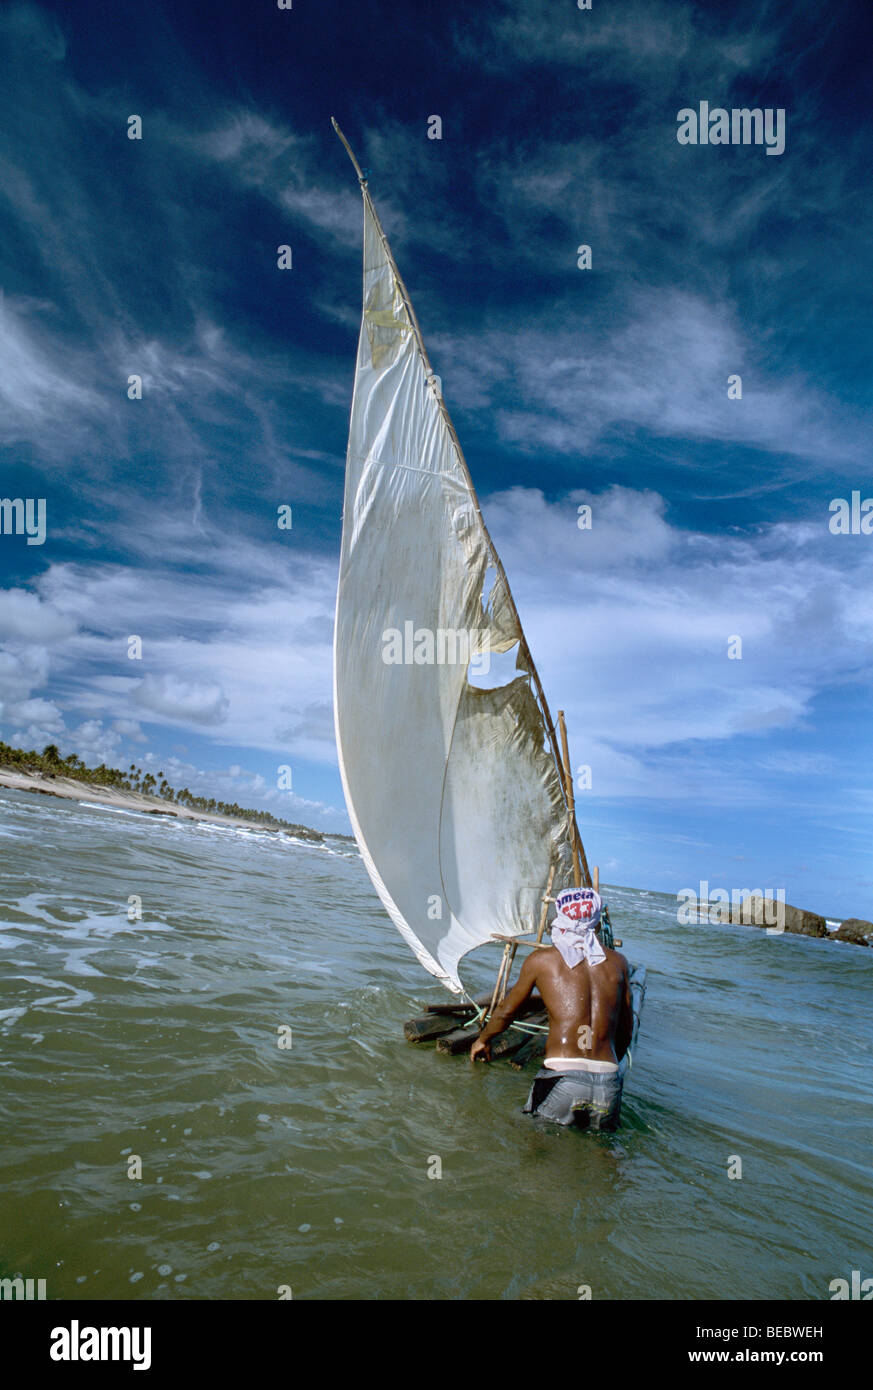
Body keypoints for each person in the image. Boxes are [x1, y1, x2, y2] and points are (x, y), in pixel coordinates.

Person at [470, 886, 634, 1131]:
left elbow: (506, 1012)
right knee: (602, 1155)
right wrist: (605, 1069)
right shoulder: (618, 963)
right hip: (608, 1081)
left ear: (561, 916)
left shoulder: (541, 961)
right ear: (596, 919)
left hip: (561, 1076)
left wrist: (483, 1039)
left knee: (535, 1148)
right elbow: (625, 1030)